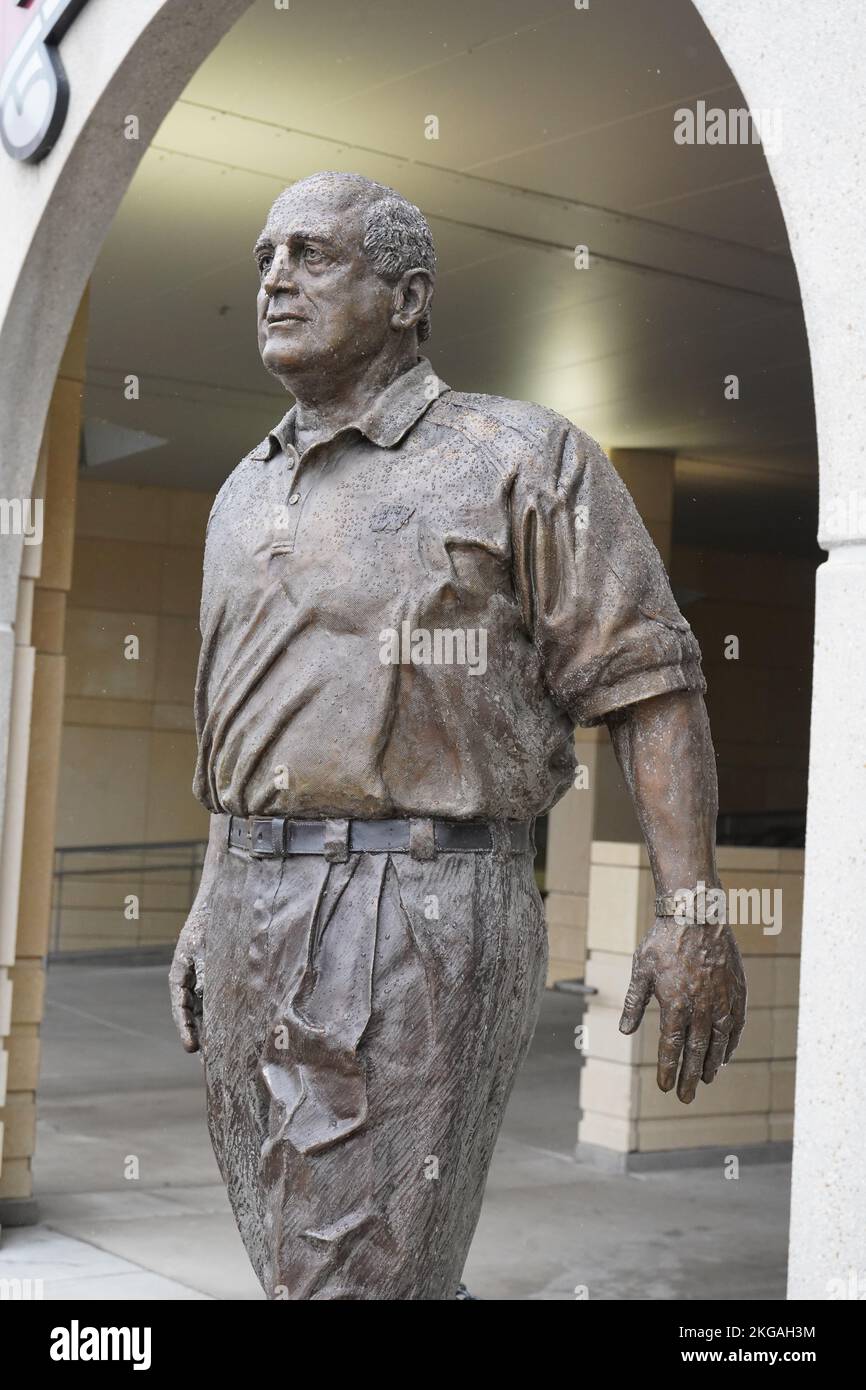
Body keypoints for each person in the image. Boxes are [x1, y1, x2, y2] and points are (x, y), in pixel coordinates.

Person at [169, 171, 746, 1301]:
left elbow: (650, 686)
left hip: (416, 910)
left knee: (356, 1277)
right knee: (303, 1256)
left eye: (311, 255)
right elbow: (241, 721)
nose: (275, 278)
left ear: (407, 294)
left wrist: (694, 915)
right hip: (248, 905)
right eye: (263, 258)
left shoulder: (516, 457)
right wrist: (206, 897)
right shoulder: (243, 489)